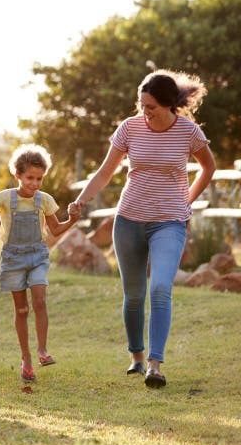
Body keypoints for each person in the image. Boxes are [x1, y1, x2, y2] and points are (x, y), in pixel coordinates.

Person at [70, 69, 216, 389]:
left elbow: (209, 167)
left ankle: (155, 365)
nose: (144, 112)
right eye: (141, 105)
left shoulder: (188, 131)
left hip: (169, 223)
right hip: (129, 221)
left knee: (160, 288)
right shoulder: (129, 127)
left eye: (150, 107)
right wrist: (81, 200)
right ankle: (136, 356)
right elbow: (106, 172)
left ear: (168, 104)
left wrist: (187, 200)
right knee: (134, 295)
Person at [0, 144, 80, 383]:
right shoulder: (4, 198)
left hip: (38, 256)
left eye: (39, 179)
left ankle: (42, 351)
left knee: (40, 301)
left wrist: (72, 220)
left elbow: (56, 230)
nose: (34, 183)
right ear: (17, 174)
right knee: (22, 310)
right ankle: (26, 360)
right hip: (13, 258)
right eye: (30, 178)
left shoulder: (44, 200)